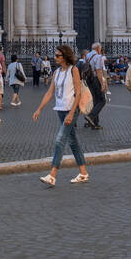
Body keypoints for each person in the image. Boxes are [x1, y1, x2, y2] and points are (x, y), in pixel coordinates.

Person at [32, 44, 89, 187]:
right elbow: (50, 92)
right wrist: (39, 109)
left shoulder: (73, 70)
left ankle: (52, 175)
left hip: (71, 110)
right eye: (55, 55)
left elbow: (78, 93)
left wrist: (72, 113)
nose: (55, 58)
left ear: (65, 56)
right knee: (73, 142)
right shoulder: (56, 72)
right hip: (60, 110)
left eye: (58, 56)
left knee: (59, 140)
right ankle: (83, 173)